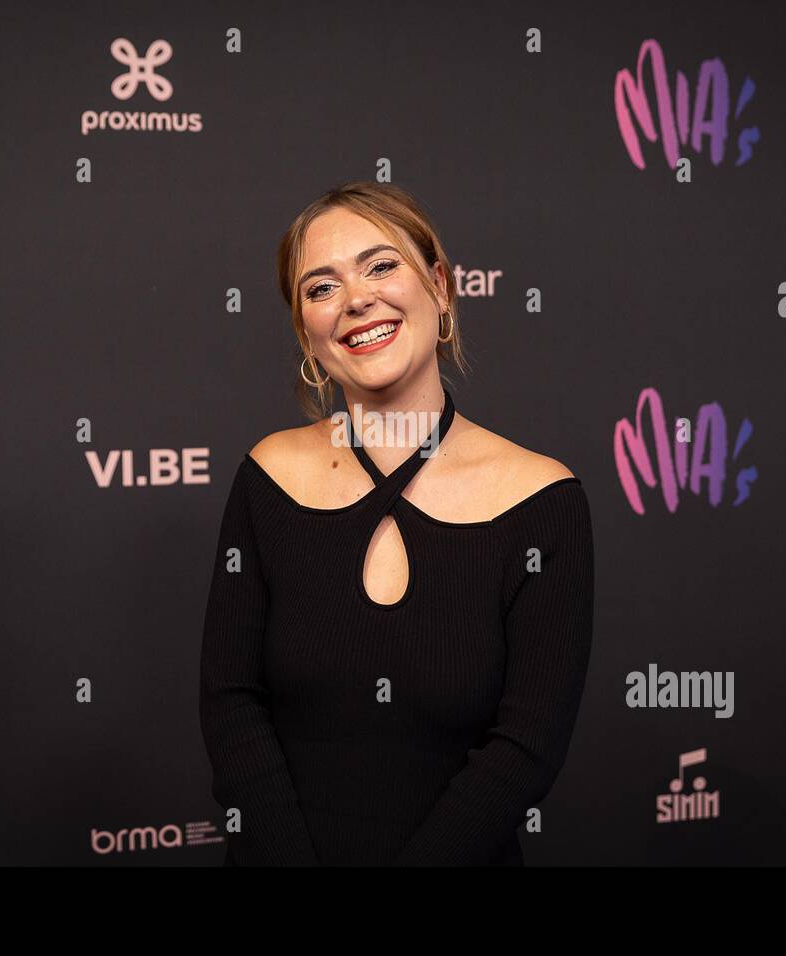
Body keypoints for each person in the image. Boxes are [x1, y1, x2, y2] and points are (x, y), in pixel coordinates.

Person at [198, 181, 595, 865]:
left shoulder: (543, 499)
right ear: (305, 330)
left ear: (439, 287)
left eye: (381, 266)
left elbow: (526, 748)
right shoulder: (267, 477)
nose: (356, 299)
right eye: (321, 288)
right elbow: (231, 704)